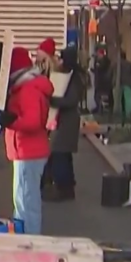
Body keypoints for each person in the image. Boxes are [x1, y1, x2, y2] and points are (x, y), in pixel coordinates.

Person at [0, 47, 53, 235]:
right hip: (28, 150)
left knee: (26, 202)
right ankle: (26, 236)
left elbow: (34, 120)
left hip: (28, 152)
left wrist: (11, 120)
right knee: (25, 201)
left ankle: (30, 241)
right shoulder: (29, 86)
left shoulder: (27, 89)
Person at [43, 47, 84, 202]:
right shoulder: (71, 76)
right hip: (66, 121)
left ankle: (63, 187)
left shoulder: (75, 78)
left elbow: (71, 100)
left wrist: (52, 100)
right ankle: (67, 187)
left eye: (61, 59)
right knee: (64, 155)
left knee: (59, 153)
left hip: (68, 121)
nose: (59, 62)